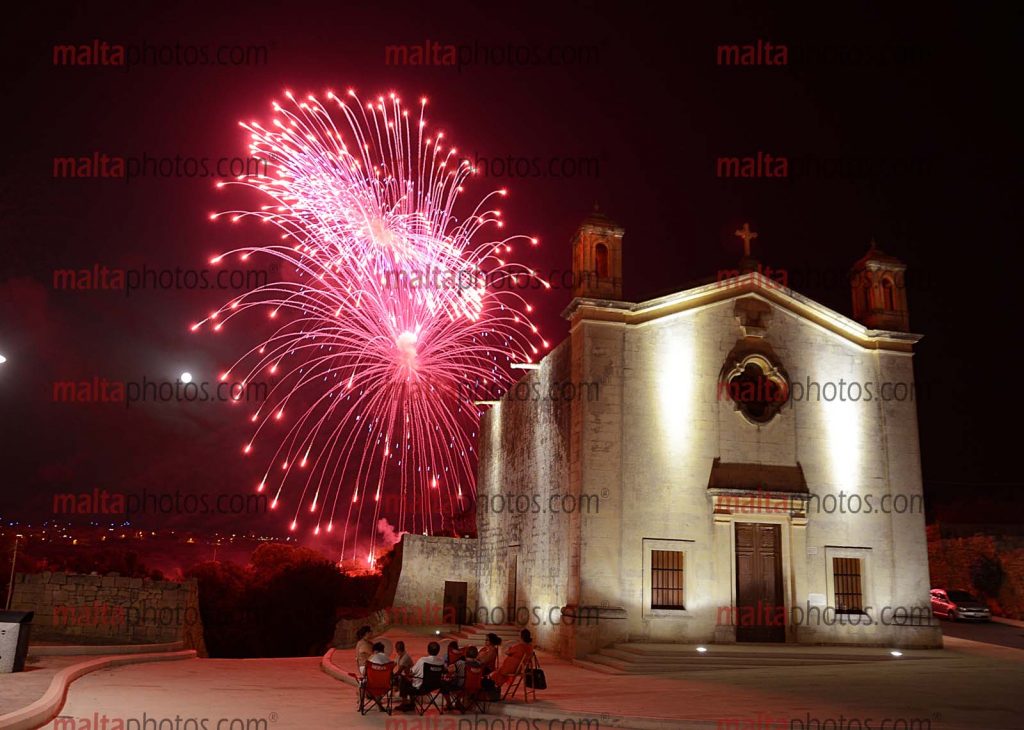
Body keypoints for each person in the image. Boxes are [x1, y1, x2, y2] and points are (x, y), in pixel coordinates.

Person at [397, 641, 445, 712]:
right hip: (436, 685)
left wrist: (406, 672)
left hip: (422, 687)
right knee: (411, 679)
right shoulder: (441, 661)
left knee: (404, 678)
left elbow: (412, 672)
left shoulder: (423, 660)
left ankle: (406, 703)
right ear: (438, 651)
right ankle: (411, 703)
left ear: (428, 650)